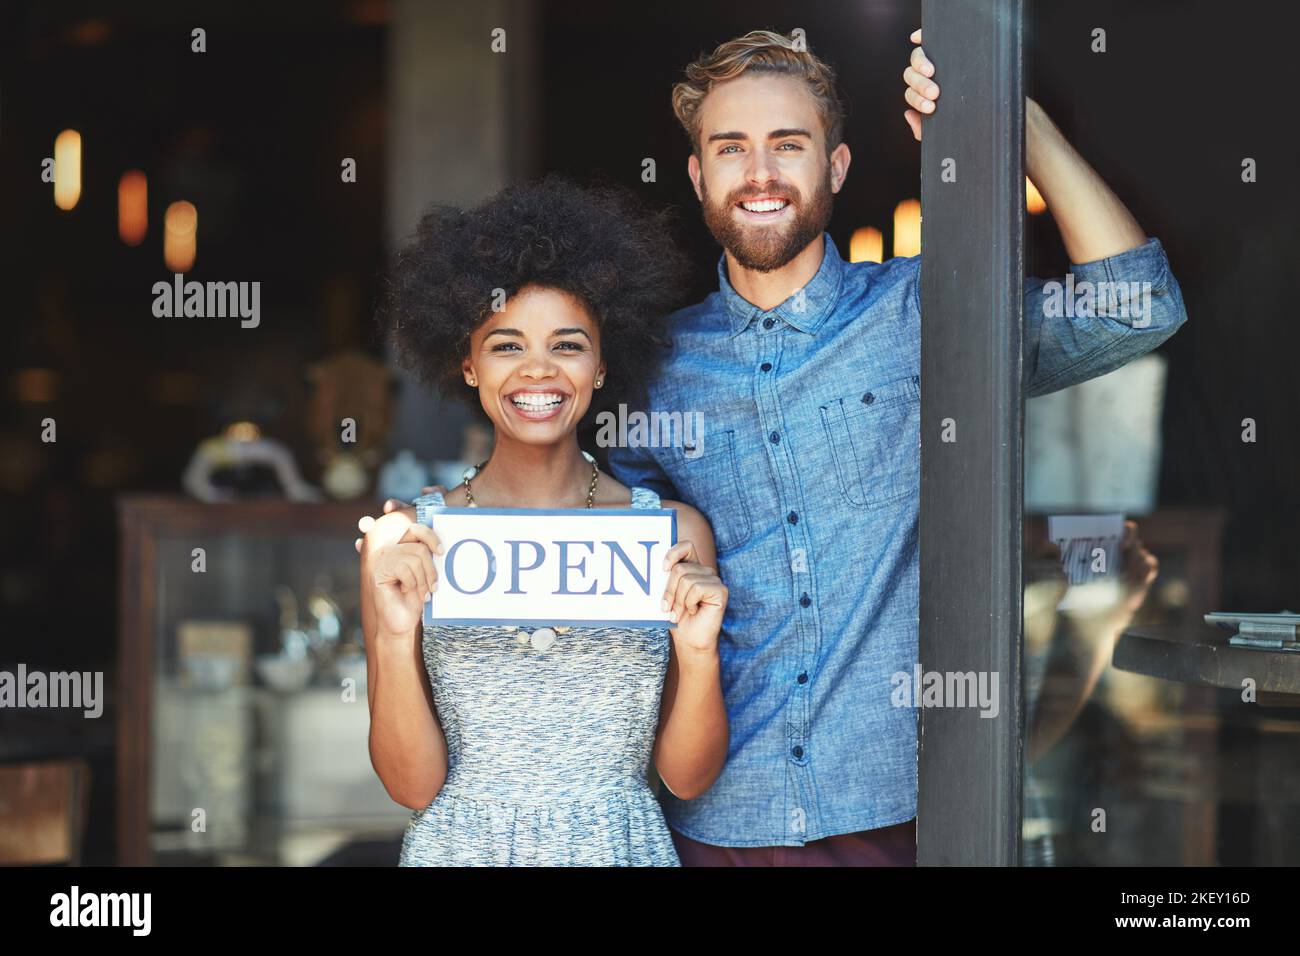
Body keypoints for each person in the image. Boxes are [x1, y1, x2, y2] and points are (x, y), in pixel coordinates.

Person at [603, 29, 1189, 866]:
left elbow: (1139, 308)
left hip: (903, 816)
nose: (760, 173)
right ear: (699, 176)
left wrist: (1012, 121)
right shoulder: (650, 370)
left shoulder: (930, 309)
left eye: (789, 145)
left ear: (835, 168)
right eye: (731, 149)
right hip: (715, 822)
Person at [358, 178, 729, 866]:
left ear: (600, 364)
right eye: (505, 346)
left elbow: (687, 778)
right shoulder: (412, 537)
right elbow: (411, 786)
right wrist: (393, 634)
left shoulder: (670, 537)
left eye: (566, 345)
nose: (537, 371)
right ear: (467, 364)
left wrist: (699, 651)